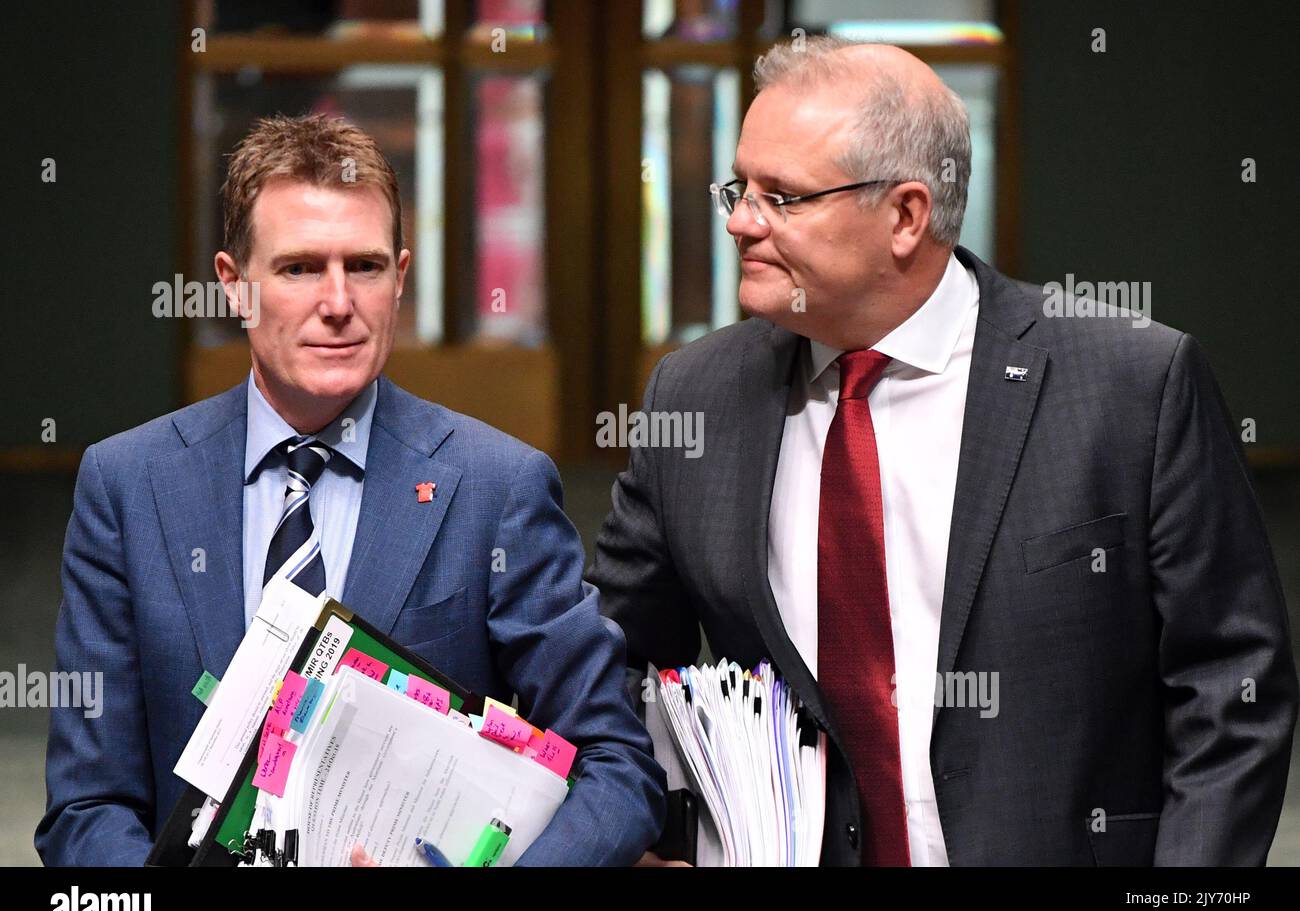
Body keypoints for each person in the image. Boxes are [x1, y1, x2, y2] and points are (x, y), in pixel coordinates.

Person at [588, 39, 1297, 866]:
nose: (742, 221)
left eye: (781, 197)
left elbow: (1231, 688)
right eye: (738, 189)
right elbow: (613, 657)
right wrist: (630, 835)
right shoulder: (698, 396)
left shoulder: (1130, 383)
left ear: (905, 215)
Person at [37, 114, 664, 867]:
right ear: (236, 287)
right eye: (300, 268)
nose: (338, 302)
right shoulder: (129, 485)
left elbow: (616, 764)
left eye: (363, 267)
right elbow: (87, 804)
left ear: (399, 278)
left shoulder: (496, 486)